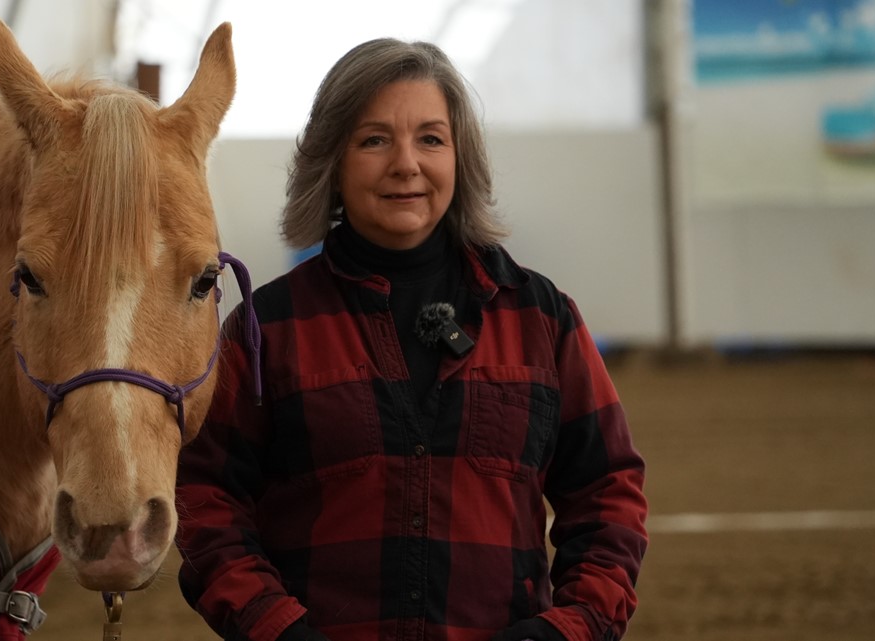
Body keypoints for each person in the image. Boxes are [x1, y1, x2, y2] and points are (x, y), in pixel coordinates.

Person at [175, 36, 648, 641]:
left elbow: (609, 495)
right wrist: (274, 628)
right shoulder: (267, 330)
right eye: (375, 140)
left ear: (461, 158)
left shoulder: (543, 319)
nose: (406, 163)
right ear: (333, 162)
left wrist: (571, 627)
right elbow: (204, 498)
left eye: (431, 138)